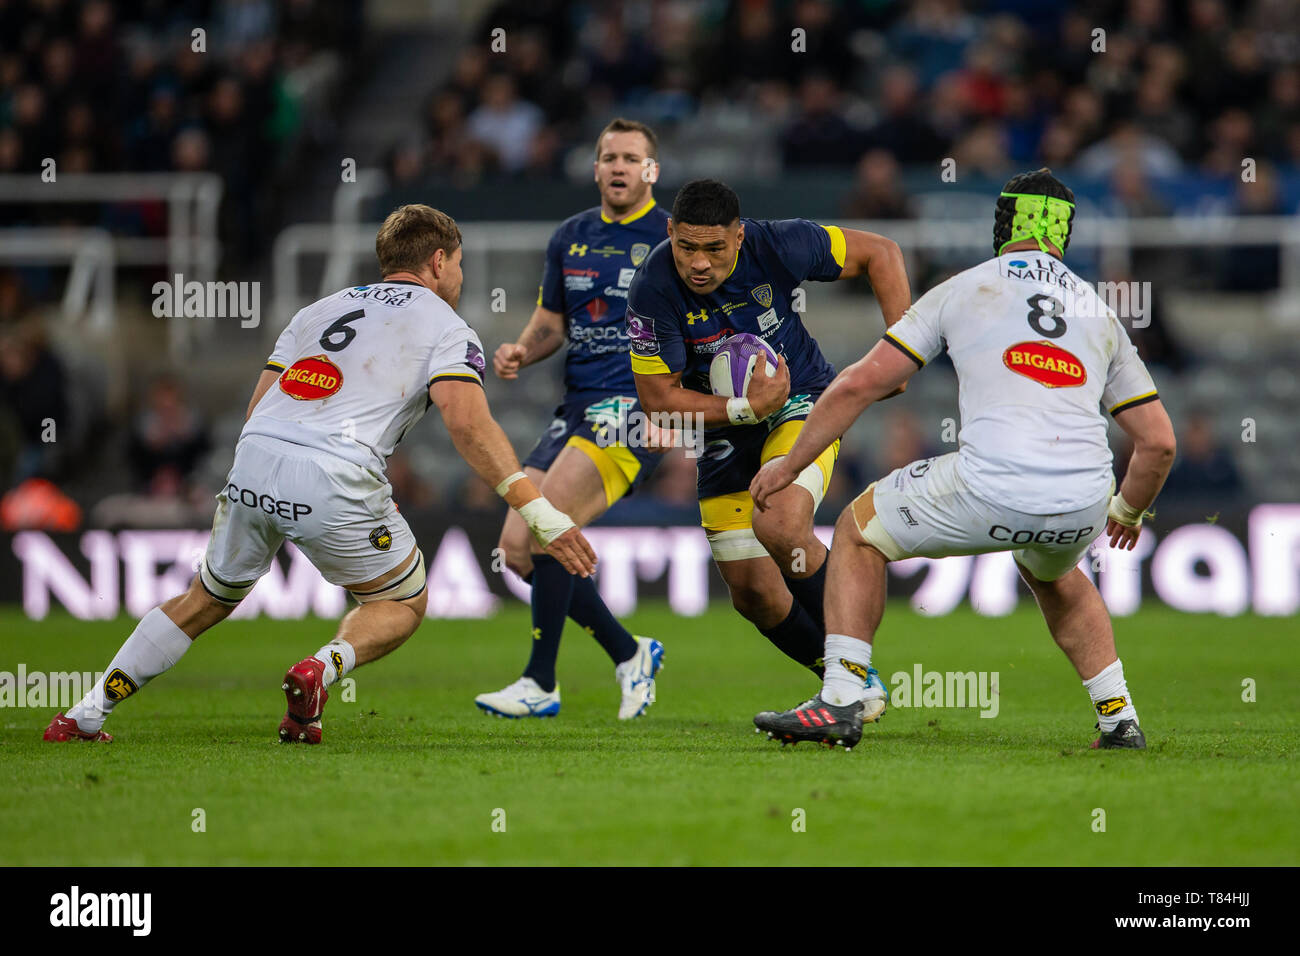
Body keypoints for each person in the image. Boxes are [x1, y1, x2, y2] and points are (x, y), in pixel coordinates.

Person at [44, 204, 595, 745]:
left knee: (203, 600)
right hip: (335, 474)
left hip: (254, 459)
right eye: (458, 265)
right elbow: (469, 425)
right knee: (401, 603)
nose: (459, 277)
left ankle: (86, 713)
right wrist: (539, 512)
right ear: (438, 260)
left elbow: (256, 409)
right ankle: (319, 670)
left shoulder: (318, 311)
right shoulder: (448, 328)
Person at [750, 168, 1175, 751]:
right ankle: (1119, 718)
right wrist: (1127, 512)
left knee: (857, 530)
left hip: (990, 487)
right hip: (1082, 503)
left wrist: (790, 463)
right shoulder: (1100, 314)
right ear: (1065, 235)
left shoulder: (964, 288)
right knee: (1055, 573)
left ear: (1002, 224)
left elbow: (857, 387)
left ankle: (842, 700)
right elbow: (1158, 442)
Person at [626, 178, 911, 682]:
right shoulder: (651, 288)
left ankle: (849, 676)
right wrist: (742, 408)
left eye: (713, 249)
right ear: (670, 231)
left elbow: (882, 253)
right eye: (686, 246)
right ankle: (850, 682)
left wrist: (902, 356)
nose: (698, 262)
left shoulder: (779, 243)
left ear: (739, 237)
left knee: (779, 525)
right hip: (723, 428)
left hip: (800, 400)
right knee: (753, 592)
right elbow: (658, 401)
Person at [477, 118, 669, 721]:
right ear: (595, 168)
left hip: (637, 408)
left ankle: (541, 681)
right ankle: (629, 651)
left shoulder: (674, 238)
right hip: (578, 406)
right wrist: (519, 350)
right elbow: (551, 324)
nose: (618, 167)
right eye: (608, 156)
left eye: (631, 158)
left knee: (546, 528)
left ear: (651, 171)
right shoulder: (571, 236)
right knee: (516, 549)